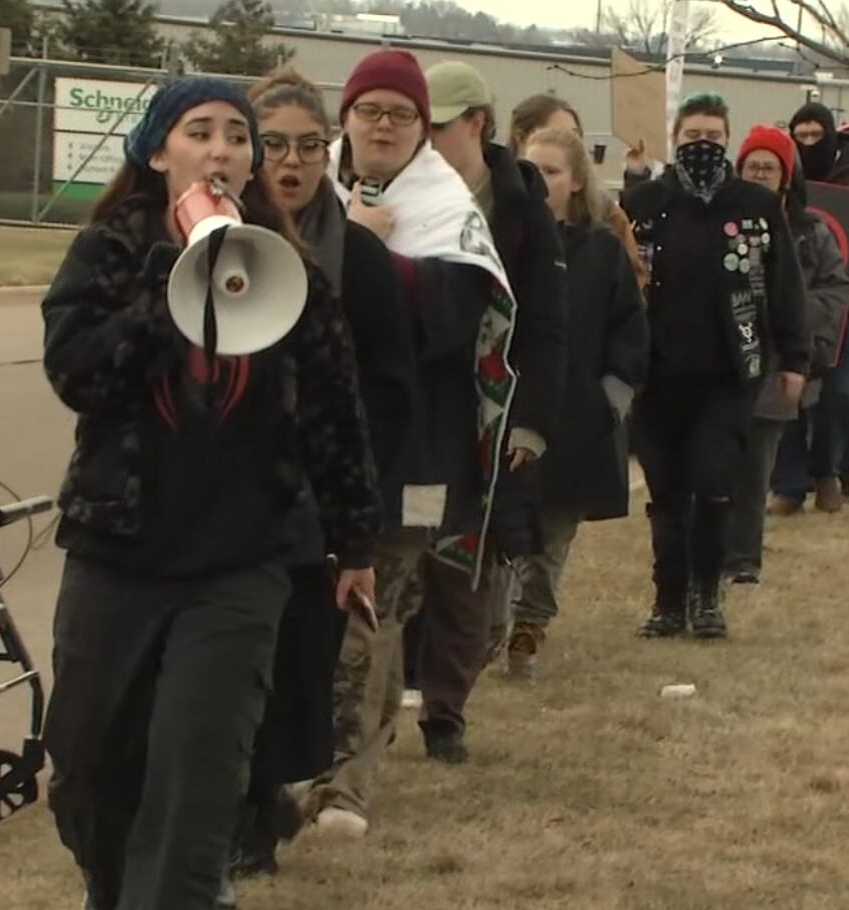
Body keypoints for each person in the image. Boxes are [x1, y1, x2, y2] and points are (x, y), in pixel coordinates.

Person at [38, 76, 383, 910]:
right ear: (158, 154)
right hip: (117, 551)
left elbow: (333, 413)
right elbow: (78, 375)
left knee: (198, 776)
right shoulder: (111, 253)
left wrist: (355, 541)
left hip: (238, 562)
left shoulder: (286, 267)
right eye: (199, 132)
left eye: (236, 136)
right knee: (88, 767)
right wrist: (176, 281)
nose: (221, 151)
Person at [306, 49, 539, 837]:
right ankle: (307, 767)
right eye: (368, 110)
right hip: (311, 448)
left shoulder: (448, 213)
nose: (383, 126)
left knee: (372, 617)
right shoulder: (308, 190)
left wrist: (363, 253)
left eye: (401, 114)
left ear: (421, 128)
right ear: (345, 118)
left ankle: (345, 784)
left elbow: (447, 324)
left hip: (410, 451)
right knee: (323, 617)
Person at [227, 70, 416, 881]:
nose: (292, 162)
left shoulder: (360, 259)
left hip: (313, 503)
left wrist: (354, 507)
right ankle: (228, 806)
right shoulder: (213, 247)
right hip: (223, 498)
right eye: (274, 144)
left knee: (292, 669)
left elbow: (391, 392)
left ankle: (259, 811)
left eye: (310, 146)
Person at [409, 59, 566, 757]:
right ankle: (379, 698)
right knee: (402, 551)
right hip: (415, 404)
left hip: (487, 415)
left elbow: (547, 323)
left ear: (476, 123)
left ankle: (445, 711)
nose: (423, 139)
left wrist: (530, 420)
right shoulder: (397, 190)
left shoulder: (520, 206)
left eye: (436, 126)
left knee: (466, 568)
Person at [620, 92, 809, 641]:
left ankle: (707, 595)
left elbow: (785, 286)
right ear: (675, 139)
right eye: (692, 137)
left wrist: (795, 358)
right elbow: (620, 285)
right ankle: (667, 600)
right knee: (667, 493)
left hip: (729, 374)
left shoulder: (757, 206)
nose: (702, 146)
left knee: (713, 483)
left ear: (728, 142)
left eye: (713, 138)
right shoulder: (645, 203)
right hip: (656, 375)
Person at [505, 126, 648, 679]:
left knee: (552, 535)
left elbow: (629, 331)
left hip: (577, 419)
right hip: (509, 411)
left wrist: (610, 402)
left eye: (551, 171)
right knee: (506, 532)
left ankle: (529, 626)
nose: (540, 182)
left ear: (577, 181)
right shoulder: (502, 243)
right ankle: (492, 623)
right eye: (531, 170)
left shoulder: (601, 250)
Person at [725, 126, 849, 583]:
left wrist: (788, 311)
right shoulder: (718, 222)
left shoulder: (810, 232)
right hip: (721, 363)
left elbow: (835, 291)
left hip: (779, 364)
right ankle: (709, 552)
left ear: (786, 176)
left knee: (755, 466)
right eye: (752, 166)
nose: (760, 174)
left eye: (770, 167)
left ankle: (743, 560)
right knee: (716, 464)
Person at [781, 101, 849, 512]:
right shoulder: (784, 173)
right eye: (801, 136)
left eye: (816, 135)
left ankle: (827, 469)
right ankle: (789, 484)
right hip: (793, 304)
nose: (809, 143)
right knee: (787, 393)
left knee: (840, 394)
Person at [508, 93, 647, 288]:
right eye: (555, 135)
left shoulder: (605, 216)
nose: (569, 145)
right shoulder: (497, 210)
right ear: (521, 139)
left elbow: (631, 284)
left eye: (575, 135)